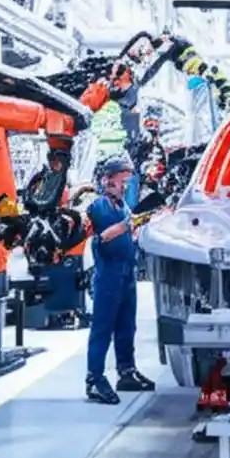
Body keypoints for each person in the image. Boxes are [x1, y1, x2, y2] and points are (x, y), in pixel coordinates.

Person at [84, 158, 155, 404]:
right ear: (108, 179)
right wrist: (133, 222)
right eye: (122, 181)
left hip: (126, 272)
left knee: (127, 326)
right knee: (103, 328)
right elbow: (106, 234)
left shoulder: (122, 205)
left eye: (127, 181)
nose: (125, 186)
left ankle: (126, 372)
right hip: (108, 275)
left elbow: (127, 230)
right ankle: (94, 379)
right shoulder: (100, 206)